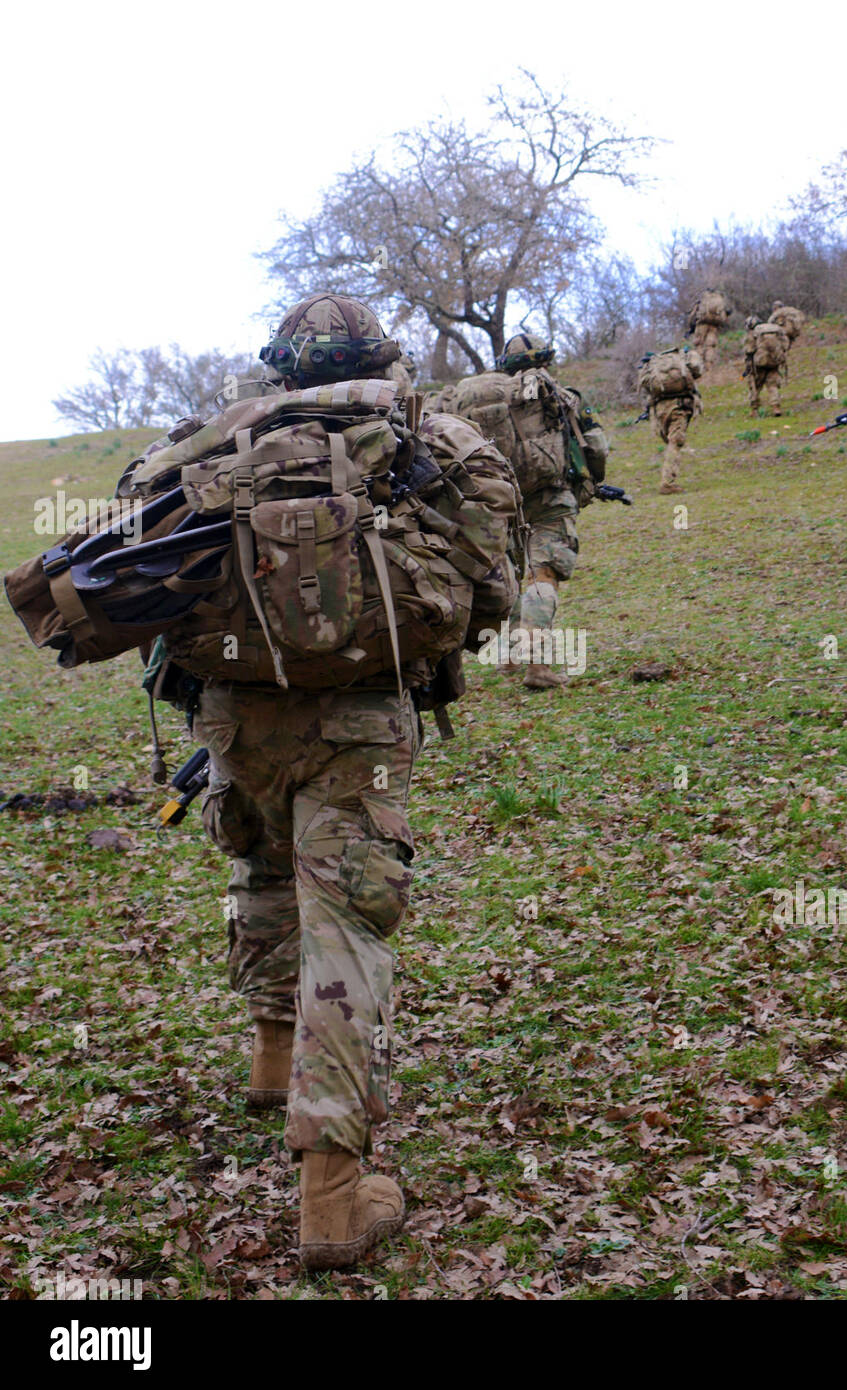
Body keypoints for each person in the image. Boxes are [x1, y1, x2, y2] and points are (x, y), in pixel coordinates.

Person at [163, 294, 518, 1266]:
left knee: (263, 867)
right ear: (381, 357)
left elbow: (147, 572)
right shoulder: (432, 438)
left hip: (235, 713)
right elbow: (489, 586)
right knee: (346, 929)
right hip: (360, 717)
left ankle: (271, 1065)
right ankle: (328, 1203)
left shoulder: (212, 438)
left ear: (280, 367)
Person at [451, 332, 586, 690]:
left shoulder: (477, 397)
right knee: (542, 575)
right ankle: (538, 665)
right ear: (544, 360)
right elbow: (592, 445)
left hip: (497, 496)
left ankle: (510, 655)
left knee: (509, 573)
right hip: (547, 496)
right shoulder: (553, 393)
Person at [637, 345, 703, 495]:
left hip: (659, 407)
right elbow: (697, 371)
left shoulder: (654, 365)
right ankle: (667, 482)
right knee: (675, 442)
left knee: (670, 442)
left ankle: (668, 476)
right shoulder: (684, 358)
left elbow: (646, 386)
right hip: (680, 405)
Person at [742, 315, 789, 416]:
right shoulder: (775, 331)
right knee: (773, 385)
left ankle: (754, 410)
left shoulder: (753, 333)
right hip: (774, 362)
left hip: (759, 364)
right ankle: (776, 407)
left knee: (755, 386)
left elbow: (749, 349)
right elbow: (785, 345)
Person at [686, 287, 731, 368]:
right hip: (714, 325)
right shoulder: (719, 300)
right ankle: (709, 366)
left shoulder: (702, 300)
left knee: (699, 344)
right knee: (710, 346)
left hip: (701, 324)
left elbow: (692, 316)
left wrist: (691, 327)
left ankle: (698, 365)